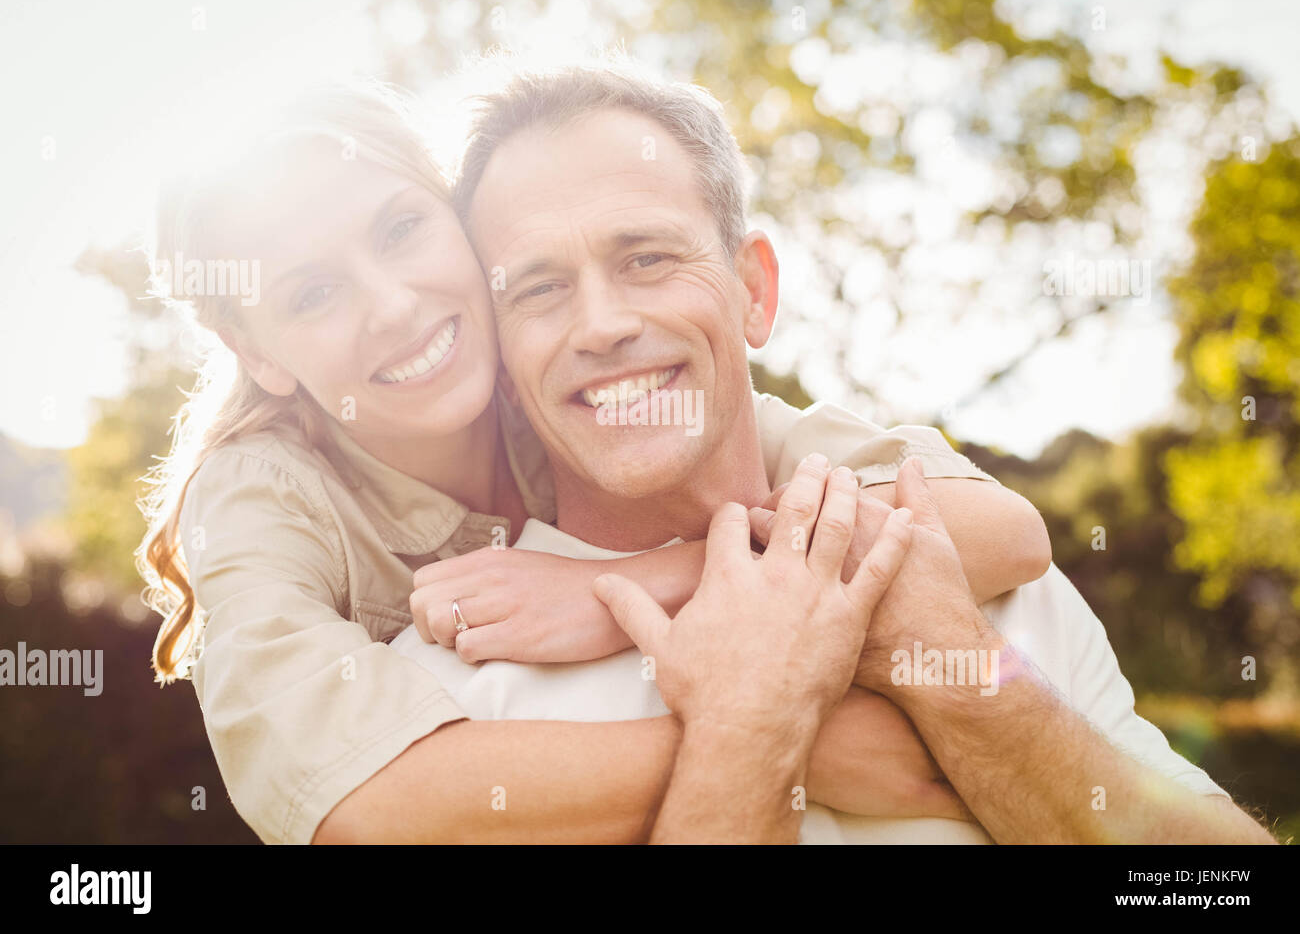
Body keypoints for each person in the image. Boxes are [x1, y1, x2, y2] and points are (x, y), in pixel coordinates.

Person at [139, 80, 1050, 844]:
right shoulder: (259, 498)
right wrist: (788, 734)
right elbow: (357, 798)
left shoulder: (583, 376)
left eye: (400, 230)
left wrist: (623, 589)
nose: (394, 305)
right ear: (257, 353)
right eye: (313, 293)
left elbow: (997, 528)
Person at [386, 64, 1273, 843]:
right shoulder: (447, 709)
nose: (605, 323)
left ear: (754, 292)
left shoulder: (963, 572)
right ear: (499, 364)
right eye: (538, 289)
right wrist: (753, 727)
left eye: (648, 258)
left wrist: (963, 687)